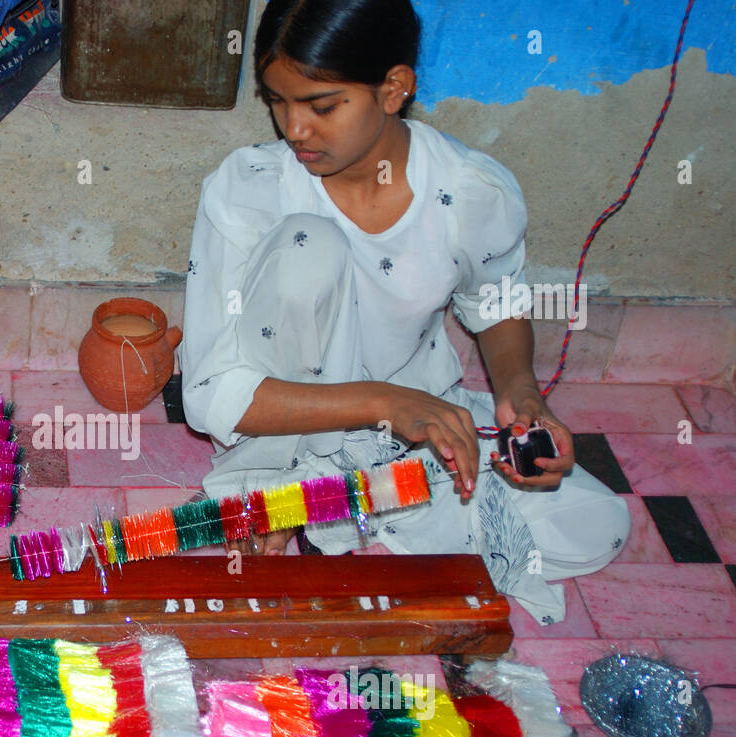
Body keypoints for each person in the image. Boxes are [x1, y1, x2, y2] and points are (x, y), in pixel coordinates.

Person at [178, 0, 629, 624]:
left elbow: (495, 303)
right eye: (277, 101)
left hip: (411, 432)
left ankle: (335, 509)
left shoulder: (466, 189)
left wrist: (522, 394)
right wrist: (388, 403)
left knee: (598, 526)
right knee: (311, 244)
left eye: (322, 105)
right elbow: (211, 397)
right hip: (287, 431)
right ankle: (303, 494)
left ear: (394, 89)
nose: (295, 130)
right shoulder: (249, 189)